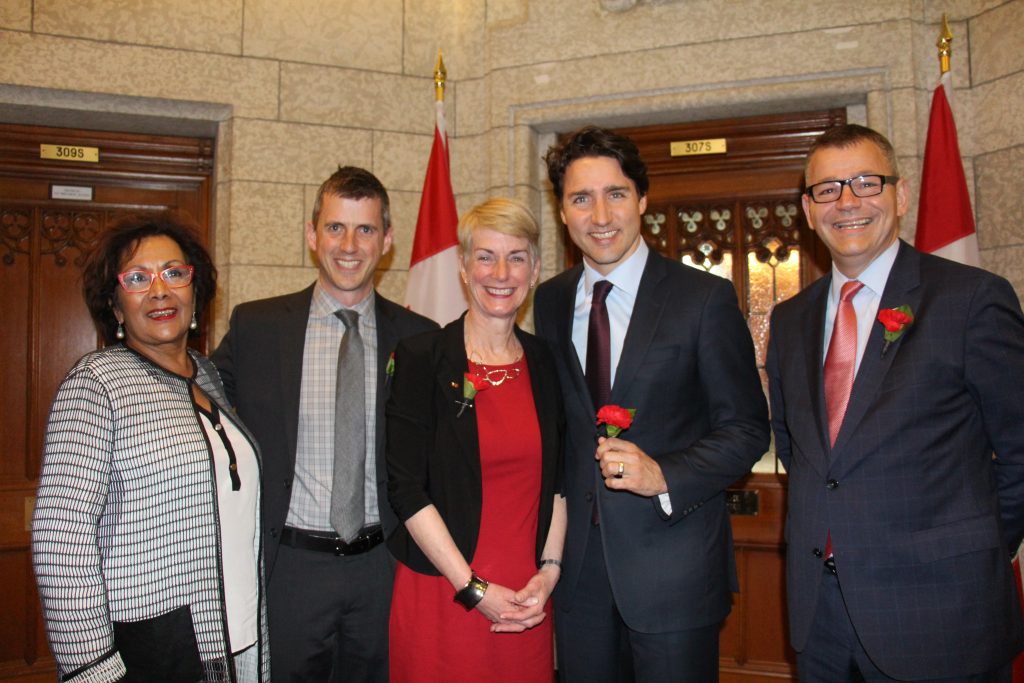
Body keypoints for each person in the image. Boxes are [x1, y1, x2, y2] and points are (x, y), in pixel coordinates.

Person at [766, 123, 1024, 682]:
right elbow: (799, 451)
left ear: (900, 195)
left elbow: (1021, 450)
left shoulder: (971, 299)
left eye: (865, 182)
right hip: (821, 619)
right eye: (828, 190)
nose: (848, 202)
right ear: (808, 212)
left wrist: (969, 550)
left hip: (943, 610)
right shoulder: (790, 321)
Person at [533, 125, 769, 682]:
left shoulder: (703, 298)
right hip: (578, 577)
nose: (600, 215)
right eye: (580, 198)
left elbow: (747, 430)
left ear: (642, 198)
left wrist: (664, 473)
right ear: (562, 212)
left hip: (675, 573)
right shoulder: (549, 299)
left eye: (615, 194)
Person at [212, 166, 436, 682]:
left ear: (388, 240)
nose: (349, 245)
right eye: (336, 227)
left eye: (366, 229)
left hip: (387, 567)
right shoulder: (257, 327)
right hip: (290, 568)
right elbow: (195, 407)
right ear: (312, 235)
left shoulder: (421, 340)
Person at [32, 212, 269, 682]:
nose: (159, 290)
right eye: (138, 278)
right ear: (116, 306)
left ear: (194, 292)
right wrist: (94, 670)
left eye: (174, 273)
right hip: (156, 653)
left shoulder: (209, 376)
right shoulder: (96, 385)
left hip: (241, 640)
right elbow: (61, 541)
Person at [384, 197, 565, 682]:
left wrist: (549, 574)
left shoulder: (546, 362)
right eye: (485, 256)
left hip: (527, 600)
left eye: (517, 257)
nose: (500, 272)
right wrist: (474, 590)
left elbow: (559, 484)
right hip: (444, 591)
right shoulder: (422, 358)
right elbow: (405, 488)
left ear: (535, 268)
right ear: (463, 268)